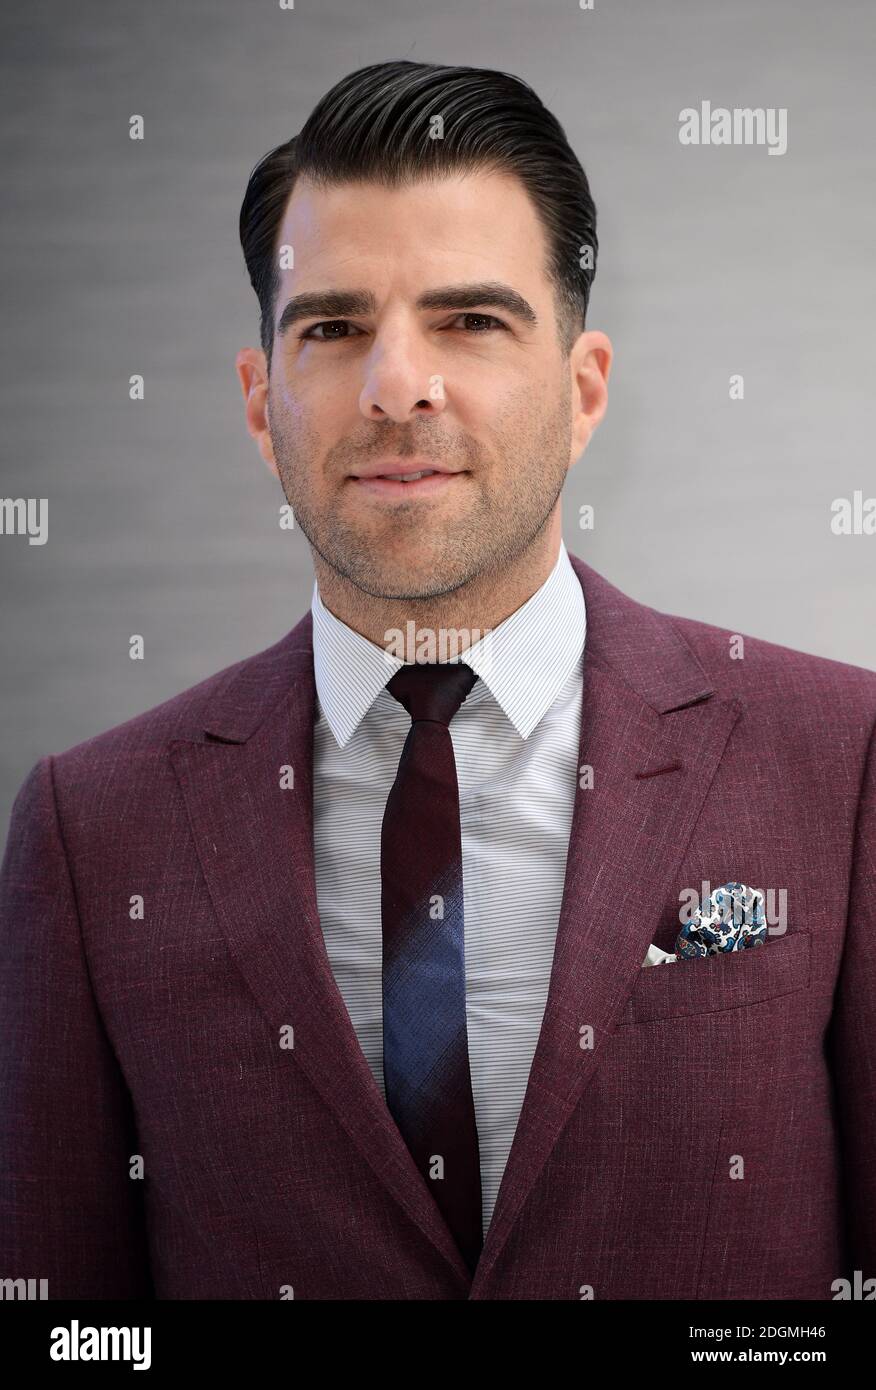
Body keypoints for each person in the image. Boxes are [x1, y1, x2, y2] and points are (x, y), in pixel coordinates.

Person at [1, 59, 874, 1300]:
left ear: (583, 394)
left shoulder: (841, 762)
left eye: (470, 320)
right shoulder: (92, 834)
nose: (397, 384)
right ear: (261, 408)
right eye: (334, 326)